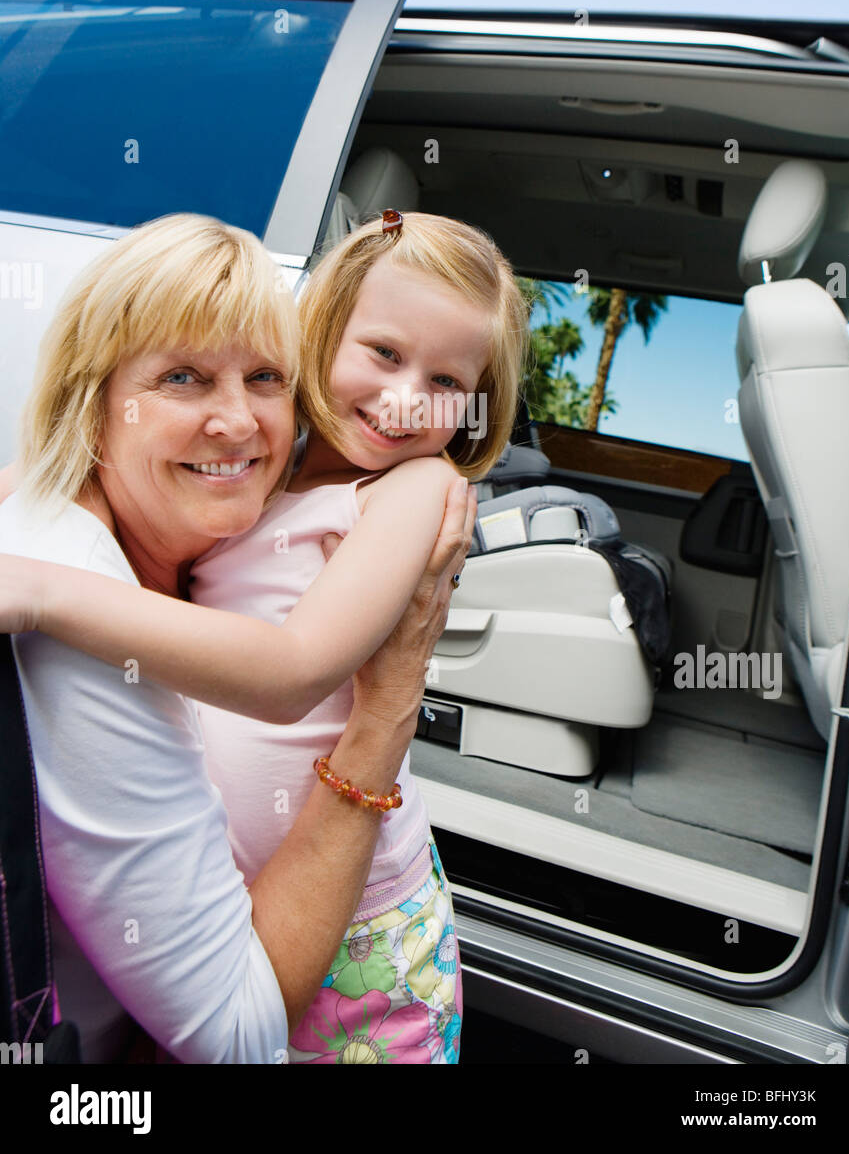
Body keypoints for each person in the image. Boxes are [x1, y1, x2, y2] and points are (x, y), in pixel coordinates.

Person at [0, 209, 528, 1063]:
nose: (404, 398)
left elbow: (290, 674)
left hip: (362, 933)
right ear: (322, 336)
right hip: (260, 903)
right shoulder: (264, 464)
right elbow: (51, 460)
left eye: (444, 380)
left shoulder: (412, 490)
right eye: (384, 353)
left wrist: (43, 594)